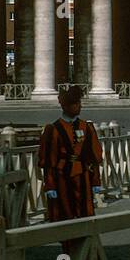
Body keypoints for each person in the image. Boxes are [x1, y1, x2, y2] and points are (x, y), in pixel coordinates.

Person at [38, 85, 104, 224]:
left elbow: (94, 156)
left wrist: (96, 181)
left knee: (85, 214)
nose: (79, 107)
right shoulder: (53, 129)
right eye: (75, 104)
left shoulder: (87, 127)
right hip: (61, 176)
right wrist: (49, 185)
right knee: (64, 214)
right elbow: (48, 160)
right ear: (65, 107)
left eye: (79, 103)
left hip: (83, 174)